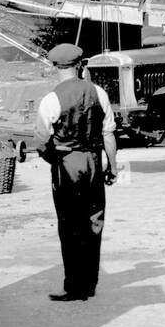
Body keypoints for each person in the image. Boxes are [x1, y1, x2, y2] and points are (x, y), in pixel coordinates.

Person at [34, 43, 118, 302]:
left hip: (66, 165)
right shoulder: (99, 93)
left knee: (69, 225)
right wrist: (112, 167)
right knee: (94, 222)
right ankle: (89, 284)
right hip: (93, 162)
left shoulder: (50, 100)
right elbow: (109, 134)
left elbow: (39, 139)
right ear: (81, 65)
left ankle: (74, 286)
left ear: (54, 67)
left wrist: (53, 159)